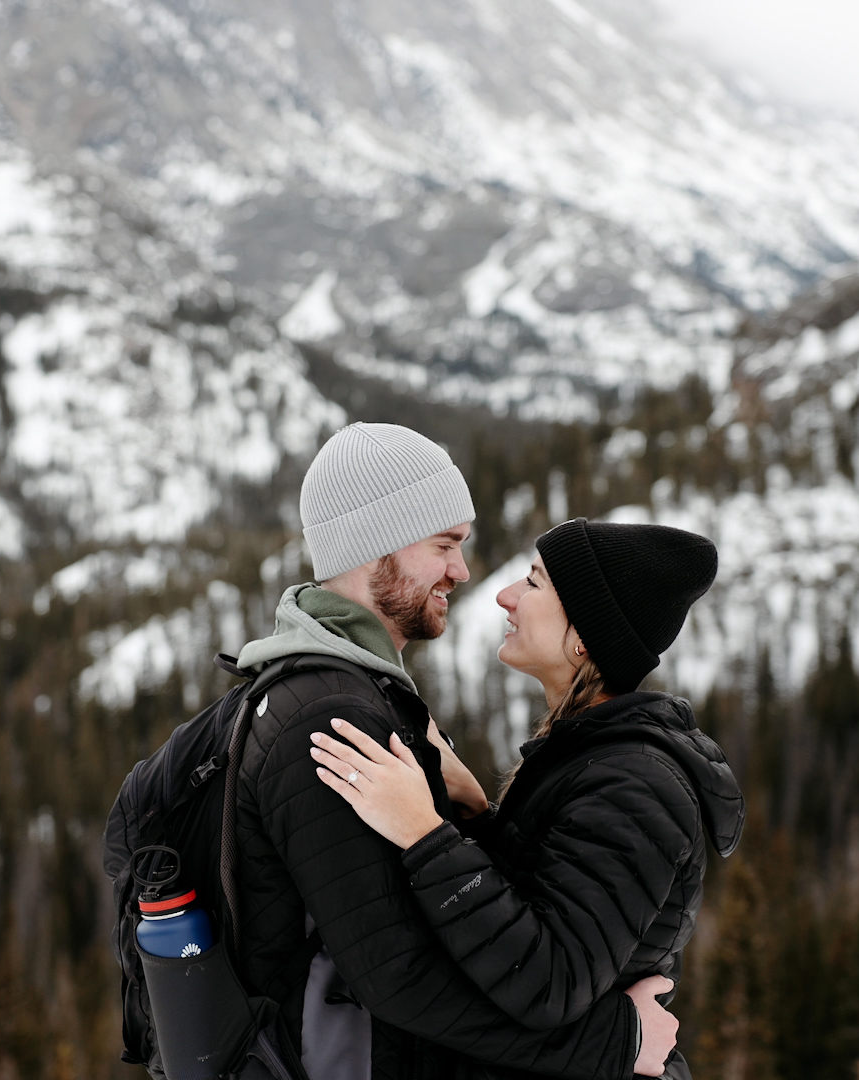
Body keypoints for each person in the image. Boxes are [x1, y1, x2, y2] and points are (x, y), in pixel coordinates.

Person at [228, 422, 680, 1080]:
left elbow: (527, 953)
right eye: (446, 544)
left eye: (531, 582)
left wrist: (446, 827)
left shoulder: (629, 776)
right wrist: (615, 1043)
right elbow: (401, 975)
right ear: (378, 545)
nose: (469, 575)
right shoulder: (331, 715)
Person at [309, 516, 742, 1080]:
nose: (505, 596)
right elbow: (547, 899)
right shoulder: (589, 758)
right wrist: (479, 816)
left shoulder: (637, 784)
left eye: (534, 583)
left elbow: (549, 979)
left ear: (585, 634)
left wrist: (424, 834)